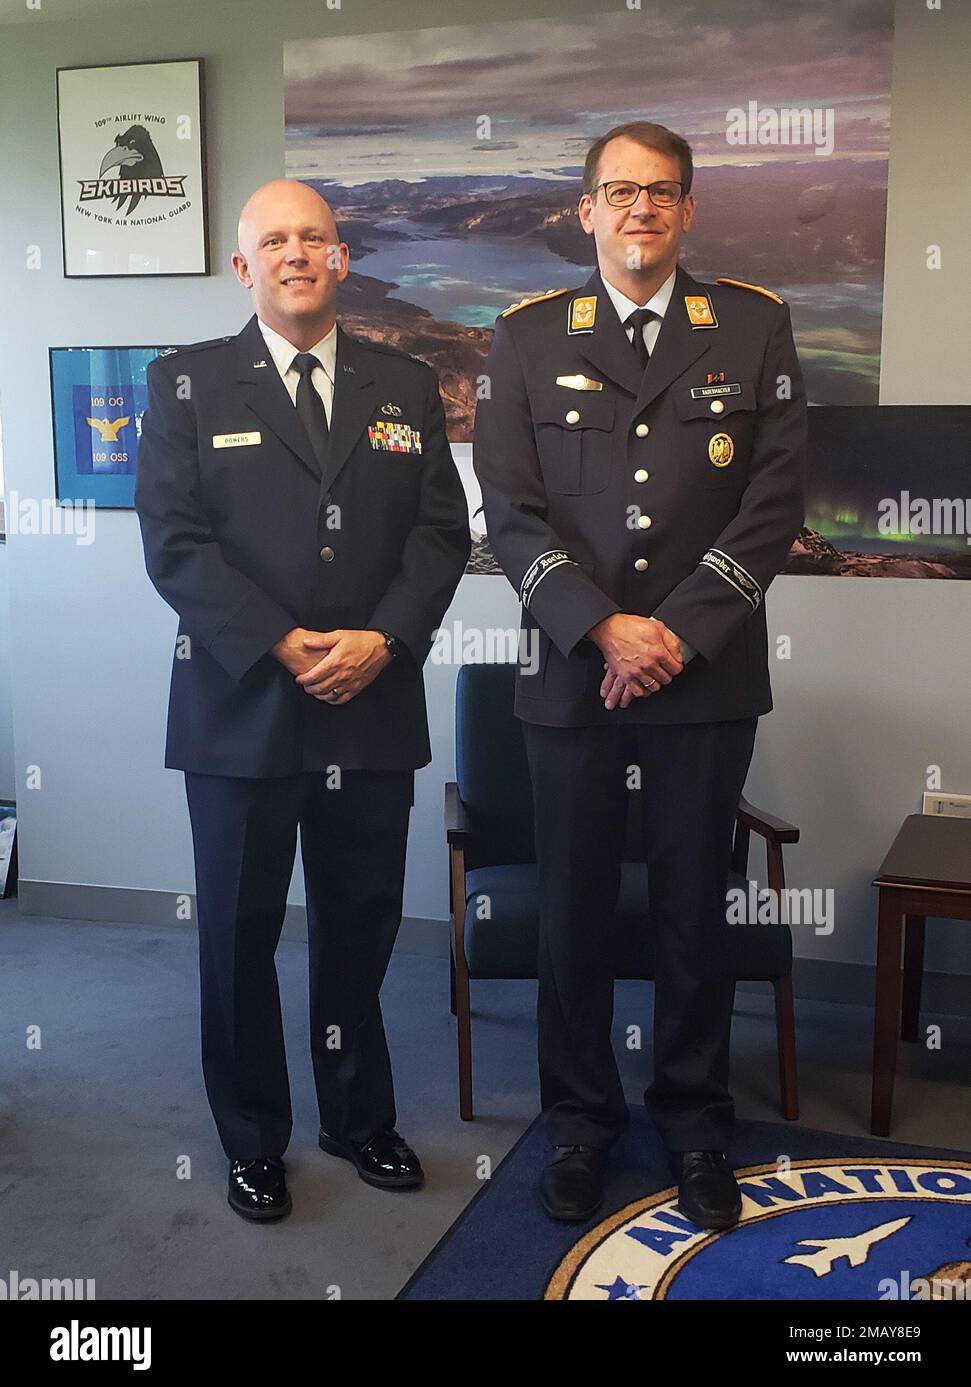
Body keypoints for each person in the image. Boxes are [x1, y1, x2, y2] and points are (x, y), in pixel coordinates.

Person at [473, 122, 806, 1227]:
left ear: (687, 211)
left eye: (660, 193)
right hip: (571, 674)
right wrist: (604, 628)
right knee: (570, 908)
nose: (639, 210)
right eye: (618, 192)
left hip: (701, 676)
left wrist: (672, 631)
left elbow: (772, 505)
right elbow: (511, 517)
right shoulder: (523, 339)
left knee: (688, 910)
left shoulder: (752, 325)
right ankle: (577, 1124)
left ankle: (694, 1124)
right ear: (584, 210)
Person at [135, 179, 470, 1221]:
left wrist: (383, 639)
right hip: (240, 707)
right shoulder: (185, 383)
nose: (295, 253)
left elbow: (437, 536)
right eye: (274, 240)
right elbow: (174, 542)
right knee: (236, 935)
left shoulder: (404, 386)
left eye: (314, 237)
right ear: (244, 267)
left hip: (368, 704)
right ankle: (251, 1138)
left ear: (341, 258)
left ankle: (358, 1117)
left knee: (358, 924)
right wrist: (282, 642)